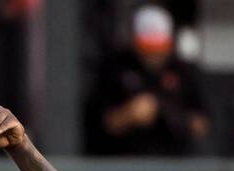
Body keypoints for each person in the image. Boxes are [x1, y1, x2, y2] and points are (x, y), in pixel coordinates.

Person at [89, 4, 208, 156]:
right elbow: (100, 124)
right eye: (147, 48)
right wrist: (130, 113)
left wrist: (167, 112)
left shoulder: (182, 71)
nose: (153, 55)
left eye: (159, 48)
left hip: (176, 165)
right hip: (125, 164)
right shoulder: (117, 68)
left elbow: (202, 125)